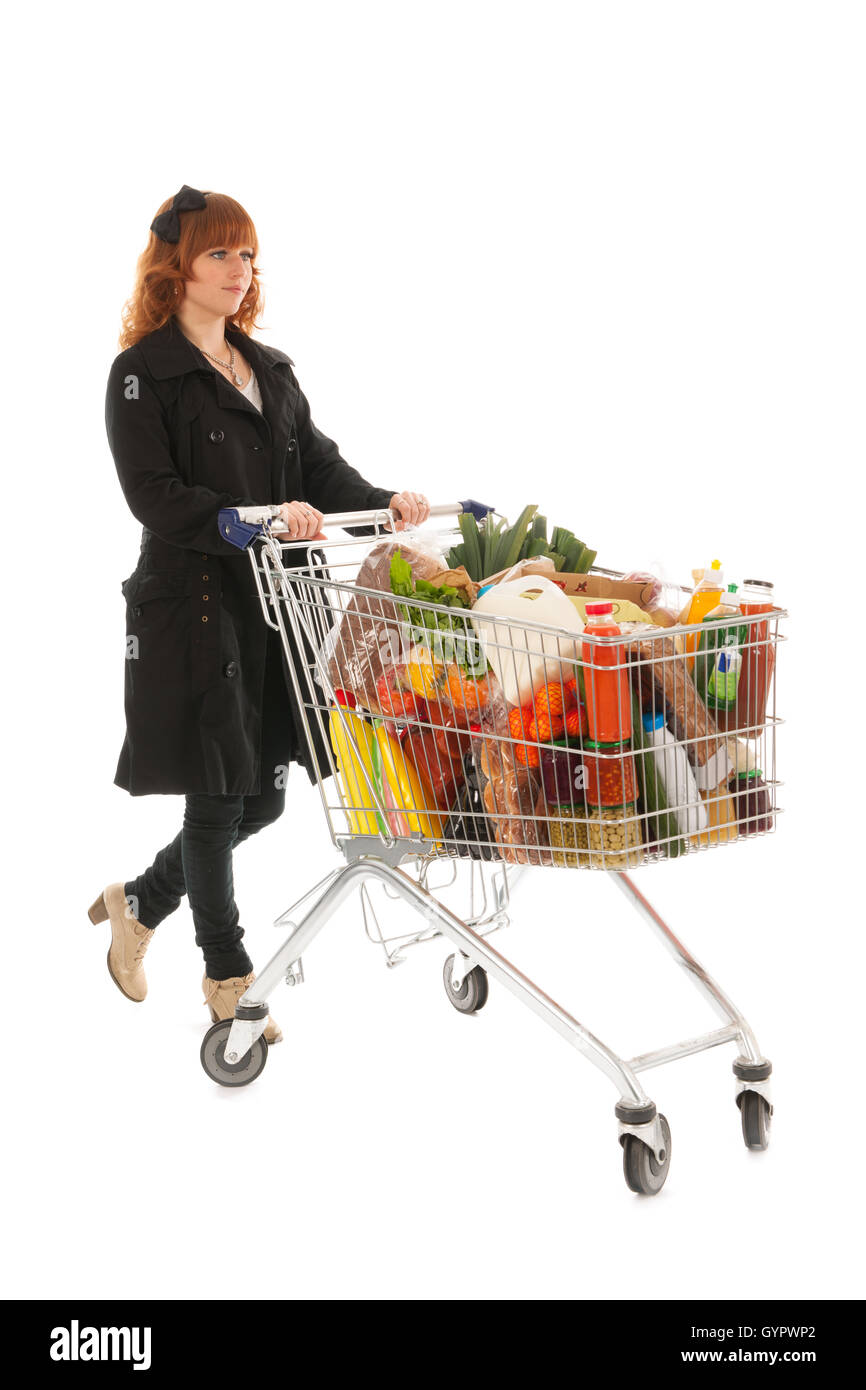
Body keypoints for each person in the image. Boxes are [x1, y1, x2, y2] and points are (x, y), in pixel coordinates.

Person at [90, 184, 429, 1043]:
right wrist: (259, 518)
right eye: (219, 254)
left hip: (280, 608)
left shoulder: (269, 368)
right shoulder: (142, 375)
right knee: (216, 801)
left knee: (265, 800)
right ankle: (227, 975)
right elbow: (155, 497)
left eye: (247, 256)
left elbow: (315, 467)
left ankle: (140, 903)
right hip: (195, 609)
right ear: (176, 266)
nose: (239, 271)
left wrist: (384, 501)